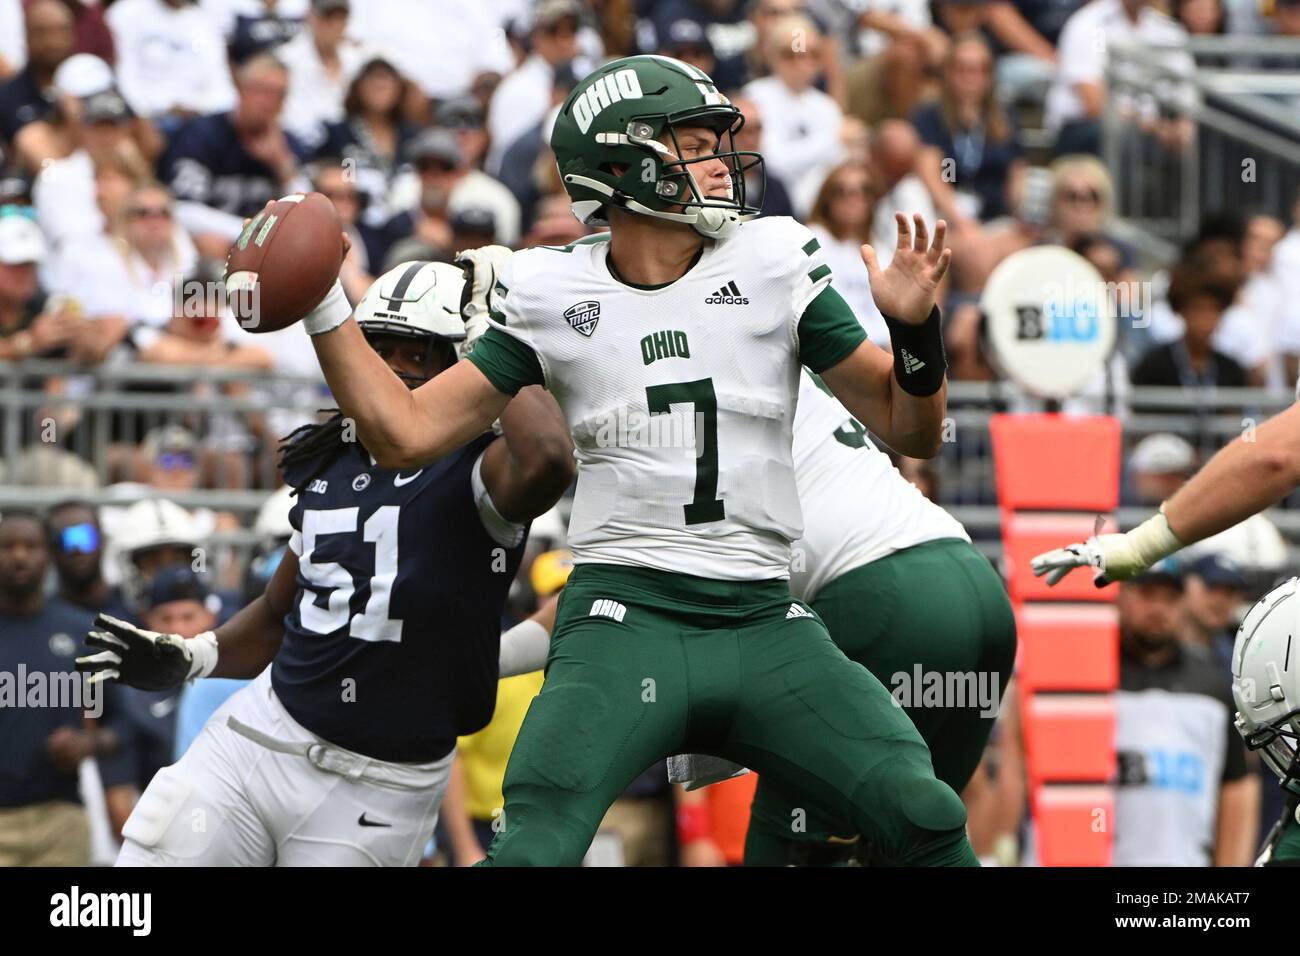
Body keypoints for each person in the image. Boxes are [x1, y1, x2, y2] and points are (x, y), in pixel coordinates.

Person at [289, 54, 972, 867]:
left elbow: (913, 427)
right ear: (623, 164)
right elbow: (405, 431)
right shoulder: (550, 291)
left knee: (923, 810)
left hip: (761, 618)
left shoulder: (773, 260)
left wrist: (917, 335)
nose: (723, 157)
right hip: (625, 615)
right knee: (535, 845)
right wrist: (326, 304)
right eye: (695, 140)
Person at [77, 259, 575, 866]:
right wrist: (194, 655)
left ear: (459, 364)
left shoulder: (483, 467)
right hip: (263, 736)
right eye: (377, 348)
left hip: (381, 786)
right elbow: (274, 614)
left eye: (414, 353)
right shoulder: (331, 458)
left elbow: (551, 457)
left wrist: (491, 340)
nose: (390, 367)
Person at [1112, 561, 1257, 866]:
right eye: (1148, 595)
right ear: (1122, 596)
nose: (1158, 609)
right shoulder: (1090, 680)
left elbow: (1237, 787)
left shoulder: (1214, 688)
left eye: (1170, 599)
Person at [0, 511, 107, 866]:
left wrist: (88, 742)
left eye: (30, 546)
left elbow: (121, 723)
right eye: (7, 546)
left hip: (59, 819)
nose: (19, 556)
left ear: (49, 555)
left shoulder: (81, 632)